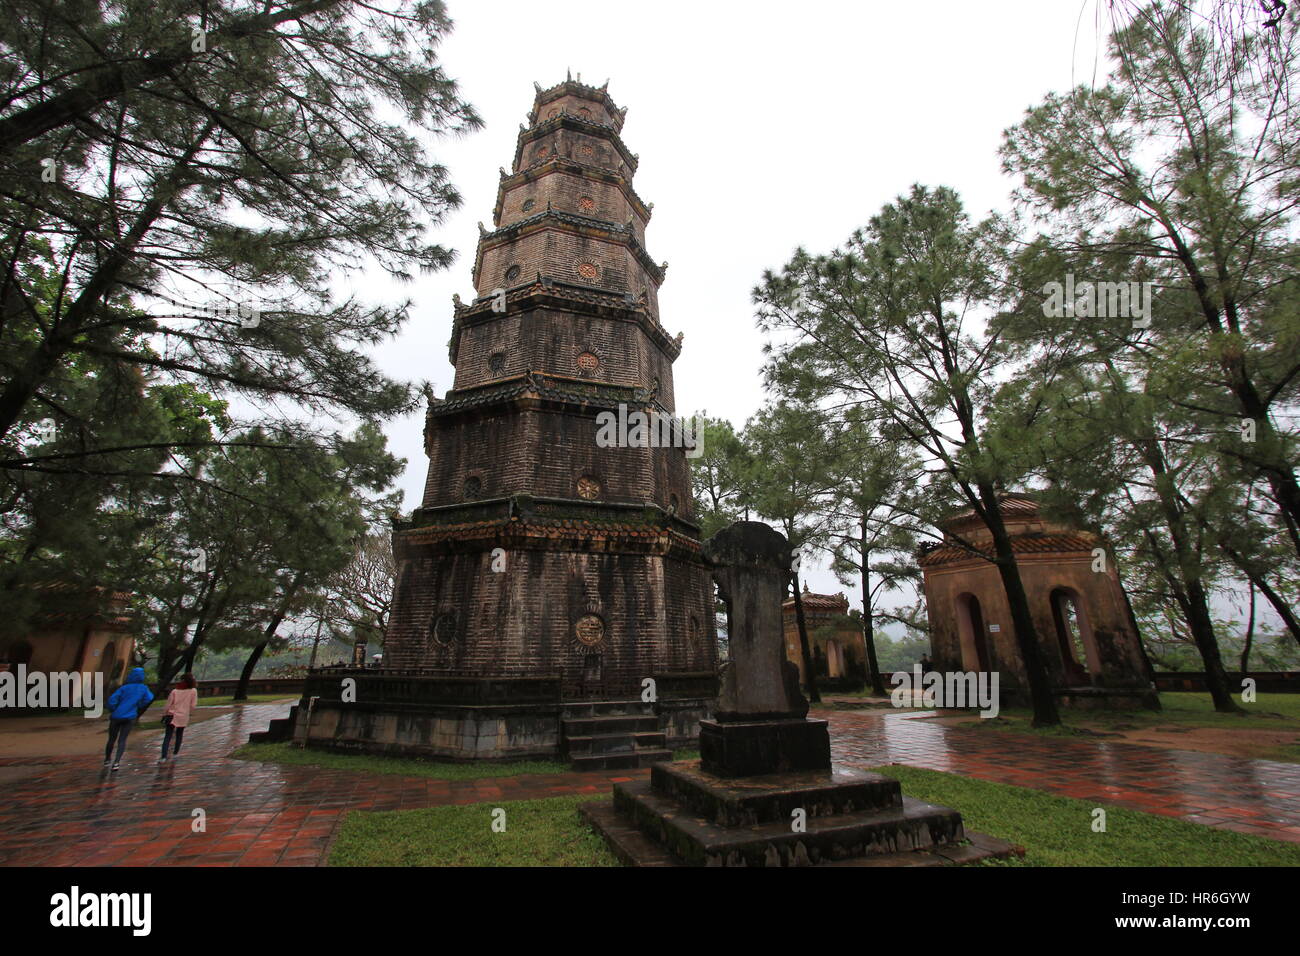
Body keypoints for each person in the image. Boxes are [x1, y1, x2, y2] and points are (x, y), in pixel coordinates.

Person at [104, 667, 154, 771]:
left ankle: (107, 759)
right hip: (130, 717)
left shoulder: (124, 688)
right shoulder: (143, 688)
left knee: (111, 739)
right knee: (122, 740)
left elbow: (112, 700)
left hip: (116, 716)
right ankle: (116, 762)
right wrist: (139, 705)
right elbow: (149, 698)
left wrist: (113, 709)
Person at [159, 673, 199, 763]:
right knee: (179, 734)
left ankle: (163, 757)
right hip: (183, 715)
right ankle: (175, 754)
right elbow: (193, 705)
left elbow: (168, 705)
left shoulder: (175, 691)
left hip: (171, 715)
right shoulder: (193, 691)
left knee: (167, 736)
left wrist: (164, 714)